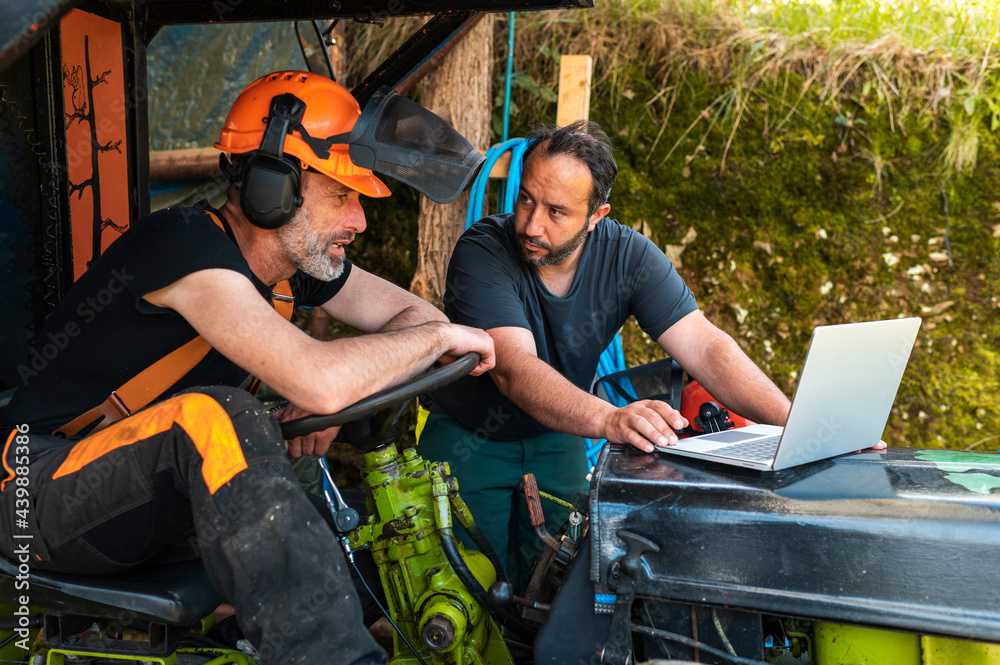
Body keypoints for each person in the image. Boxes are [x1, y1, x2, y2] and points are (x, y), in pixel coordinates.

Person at [0, 71, 494, 665]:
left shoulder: (293, 269)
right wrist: (336, 380)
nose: (359, 220)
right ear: (271, 187)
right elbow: (336, 370)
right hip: (33, 491)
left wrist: (347, 383)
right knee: (217, 415)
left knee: (349, 540)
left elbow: (414, 317)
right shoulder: (184, 249)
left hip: (138, 503)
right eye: (342, 196)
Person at [418, 120, 795, 589]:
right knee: (462, 592)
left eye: (557, 211)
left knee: (558, 586)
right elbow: (514, 369)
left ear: (597, 217)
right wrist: (611, 419)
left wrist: (797, 426)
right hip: (468, 439)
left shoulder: (629, 258)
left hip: (558, 434)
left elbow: (704, 344)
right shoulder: (483, 251)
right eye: (526, 199)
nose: (531, 225)